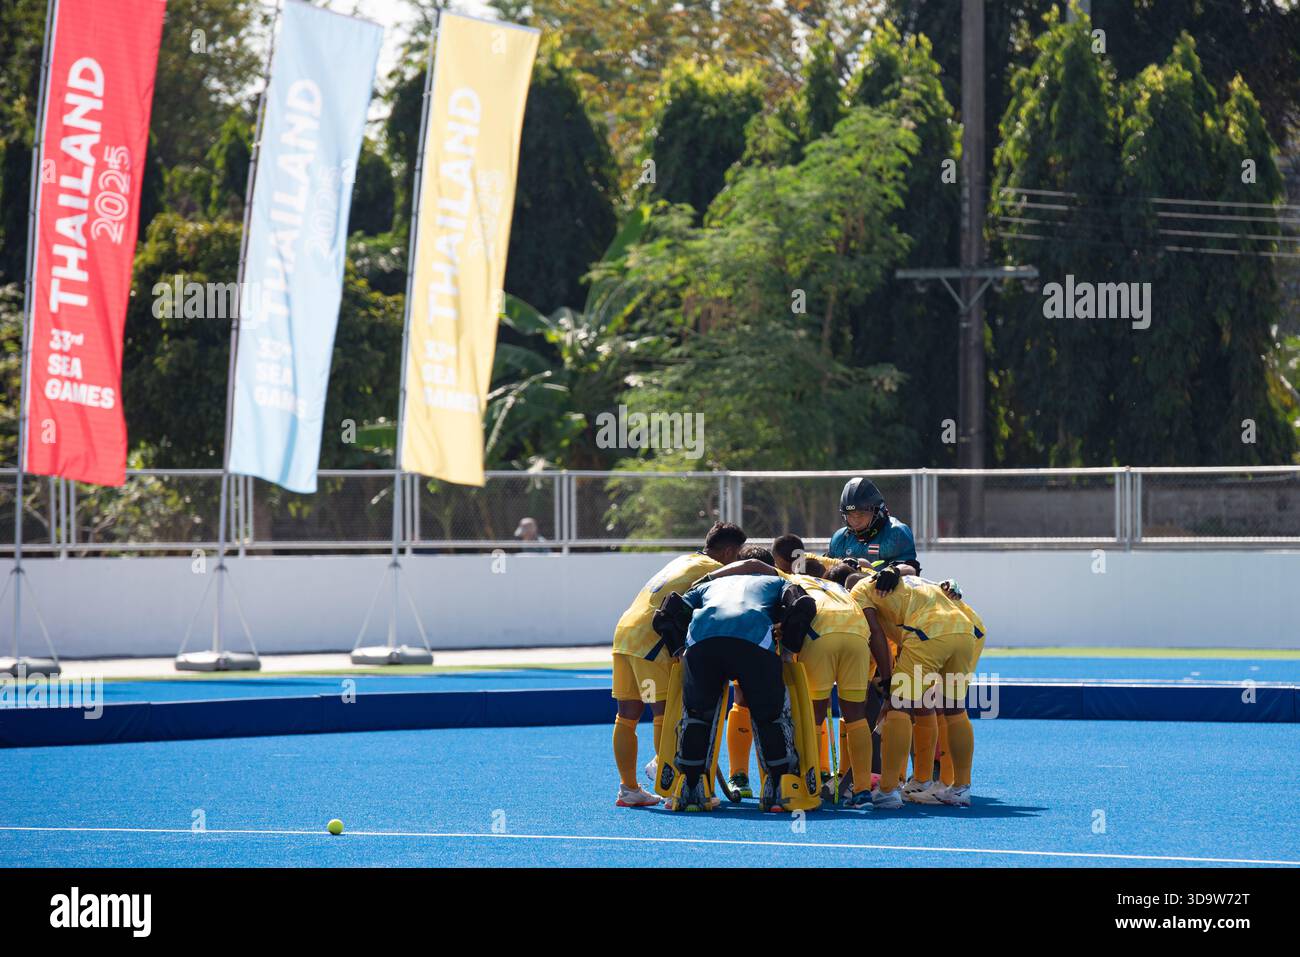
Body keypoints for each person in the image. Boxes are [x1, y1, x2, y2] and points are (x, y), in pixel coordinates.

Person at [651, 565, 819, 812]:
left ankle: (690, 787)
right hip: (753, 644)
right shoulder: (777, 582)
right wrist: (789, 649)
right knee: (769, 716)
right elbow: (804, 605)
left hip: (702, 644)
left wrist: (679, 651)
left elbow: (664, 613)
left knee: (697, 716)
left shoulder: (706, 586)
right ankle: (781, 787)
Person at [608, 522, 747, 808]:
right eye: (739, 555)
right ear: (730, 551)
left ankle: (629, 789)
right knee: (663, 712)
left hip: (625, 633)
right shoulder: (712, 570)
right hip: (651, 640)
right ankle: (669, 787)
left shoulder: (685, 559)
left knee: (627, 715)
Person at [850, 566, 984, 809]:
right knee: (954, 708)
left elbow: (875, 634)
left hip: (927, 634)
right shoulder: (908, 583)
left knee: (899, 707)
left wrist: (890, 679)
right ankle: (960, 787)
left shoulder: (858, 592)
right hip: (966, 632)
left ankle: (888, 790)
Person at [828, 477, 918, 569]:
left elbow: (910, 571)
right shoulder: (839, 539)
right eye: (850, 515)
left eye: (860, 514)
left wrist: (892, 573)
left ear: (877, 512)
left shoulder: (896, 533)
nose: (855, 520)